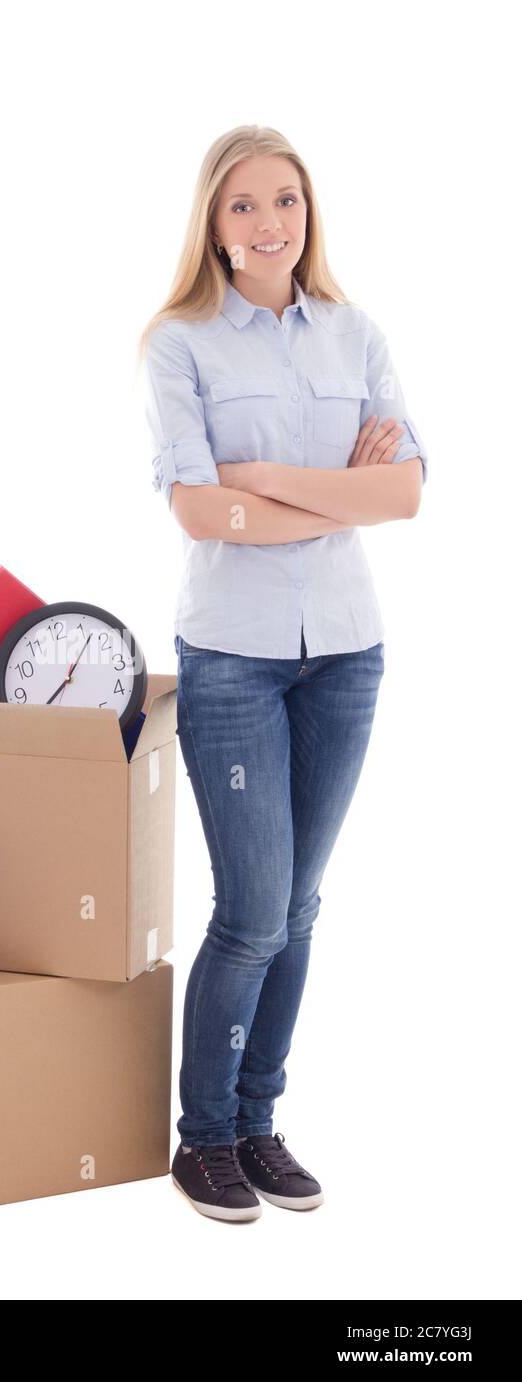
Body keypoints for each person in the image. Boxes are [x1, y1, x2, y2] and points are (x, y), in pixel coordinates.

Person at [138, 125, 428, 1223]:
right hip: (233, 660)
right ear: (212, 227)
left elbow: (403, 493)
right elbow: (197, 509)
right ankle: (201, 1136)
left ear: (308, 215)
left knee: (300, 908)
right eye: (243, 206)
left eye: (285, 202)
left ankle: (257, 1122)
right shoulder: (179, 345)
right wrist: (329, 490)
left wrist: (266, 481)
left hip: (345, 652)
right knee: (252, 911)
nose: (268, 224)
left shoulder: (355, 334)